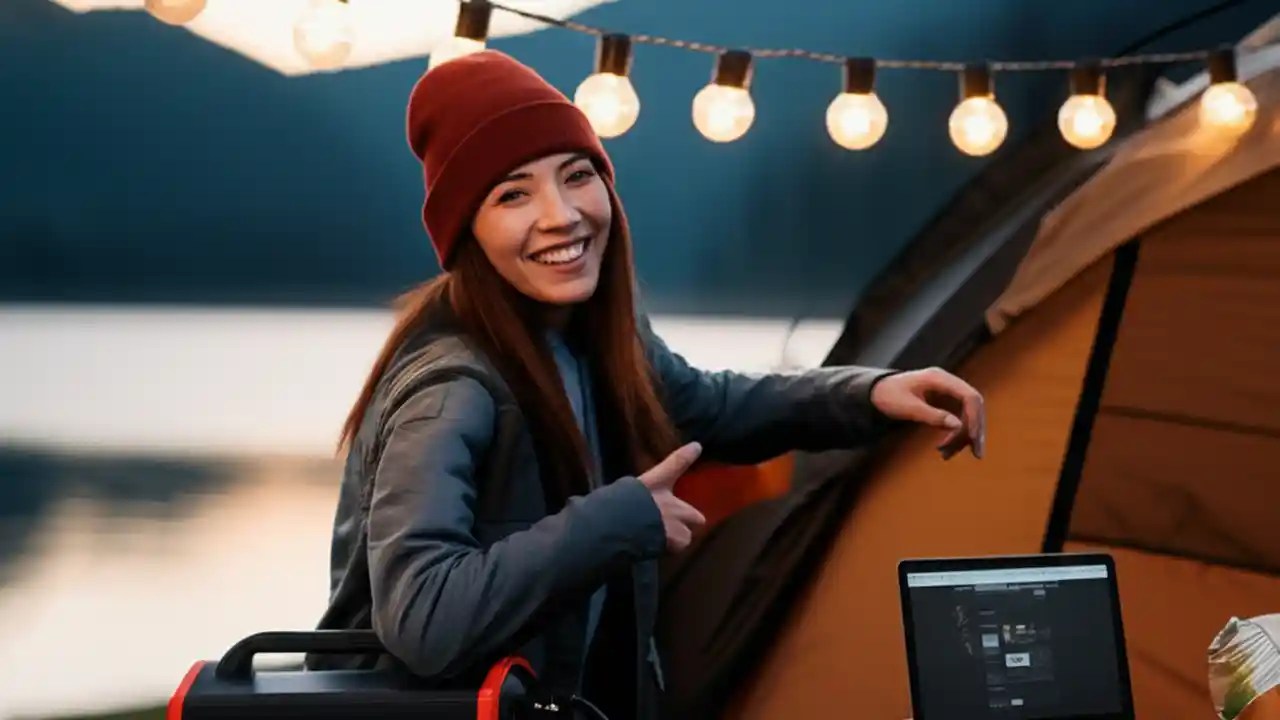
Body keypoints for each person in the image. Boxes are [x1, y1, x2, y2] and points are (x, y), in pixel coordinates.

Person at [308, 50, 985, 720]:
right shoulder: (451, 389)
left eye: (578, 176)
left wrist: (867, 394)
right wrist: (619, 519)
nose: (561, 215)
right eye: (513, 194)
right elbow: (424, 620)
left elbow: (707, 405)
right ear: (466, 232)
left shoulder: (589, 331)